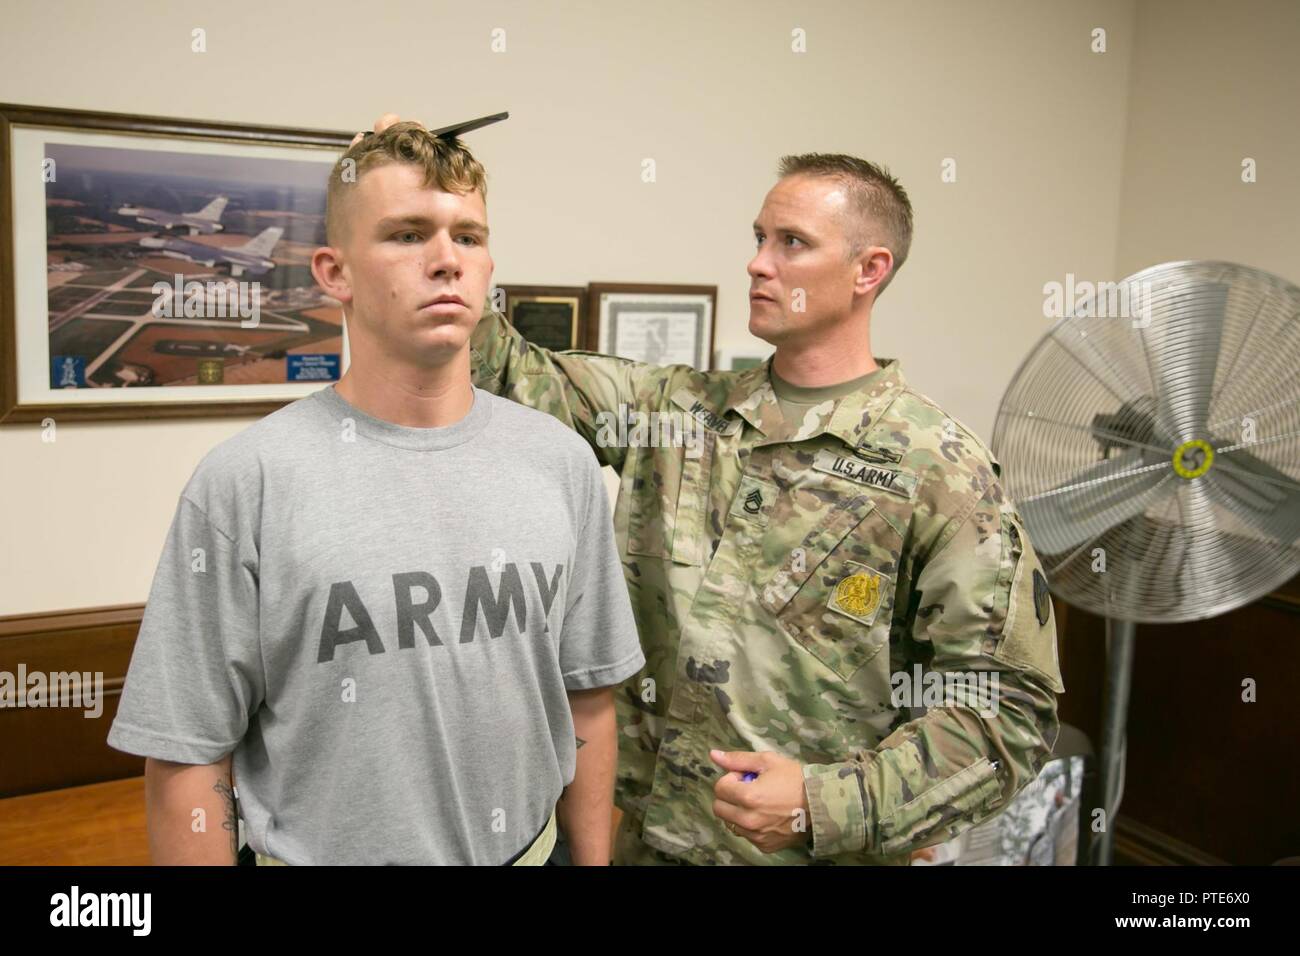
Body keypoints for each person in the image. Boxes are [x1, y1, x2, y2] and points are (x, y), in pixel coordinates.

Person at [364, 113, 1064, 866]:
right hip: (628, 842)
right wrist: (433, 203)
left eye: (791, 243)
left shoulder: (940, 471)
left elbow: (1007, 717)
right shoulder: (675, 414)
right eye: (758, 238)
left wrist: (827, 802)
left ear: (869, 270)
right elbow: (505, 369)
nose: (759, 263)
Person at [106, 121, 644, 865]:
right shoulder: (246, 482)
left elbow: (587, 697)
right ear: (335, 272)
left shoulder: (560, 462)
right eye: (406, 234)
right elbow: (189, 757)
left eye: (469, 235)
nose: (447, 261)